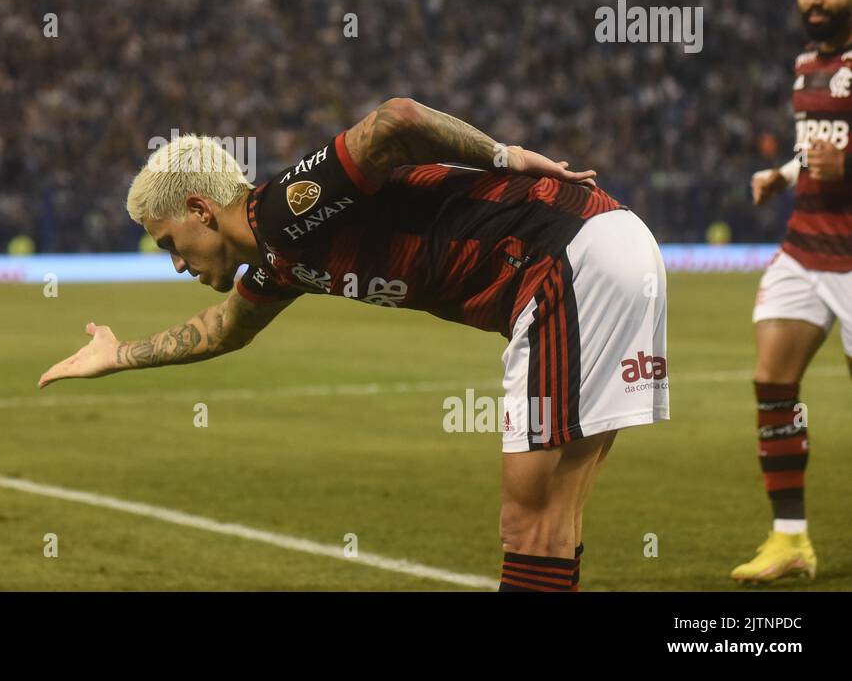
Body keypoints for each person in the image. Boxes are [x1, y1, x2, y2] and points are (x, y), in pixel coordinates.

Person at [39, 97, 669, 590]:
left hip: (563, 259)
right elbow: (224, 328)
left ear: (202, 210)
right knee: (553, 517)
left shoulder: (285, 212)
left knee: (527, 522)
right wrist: (117, 354)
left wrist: (503, 155)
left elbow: (397, 119)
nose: (176, 264)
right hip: (602, 248)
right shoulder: (280, 258)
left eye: (170, 243)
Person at [737, 0, 852, 582]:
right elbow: (821, 144)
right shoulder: (807, 63)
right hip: (806, 250)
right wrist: (783, 173)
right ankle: (789, 540)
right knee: (772, 383)